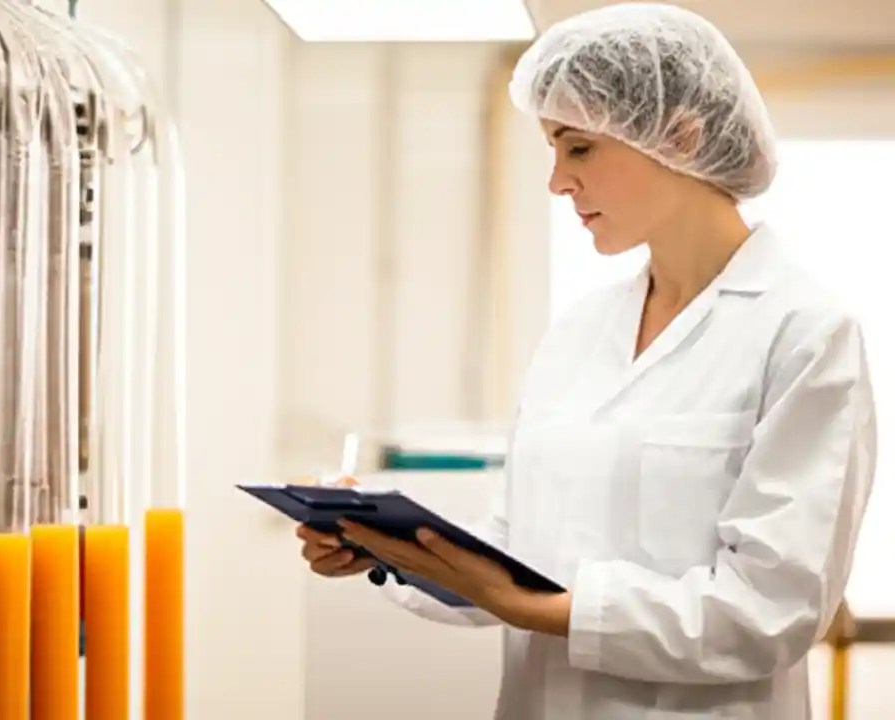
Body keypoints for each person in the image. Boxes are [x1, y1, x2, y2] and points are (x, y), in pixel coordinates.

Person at [296, 3, 877, 719]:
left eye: (577, 149)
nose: (557, 182)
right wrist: (386, 546)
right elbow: (519, 549)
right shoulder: (579, 332)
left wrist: (544, 610)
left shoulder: (805, 333)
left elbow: (769, 613)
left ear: (679, 134)